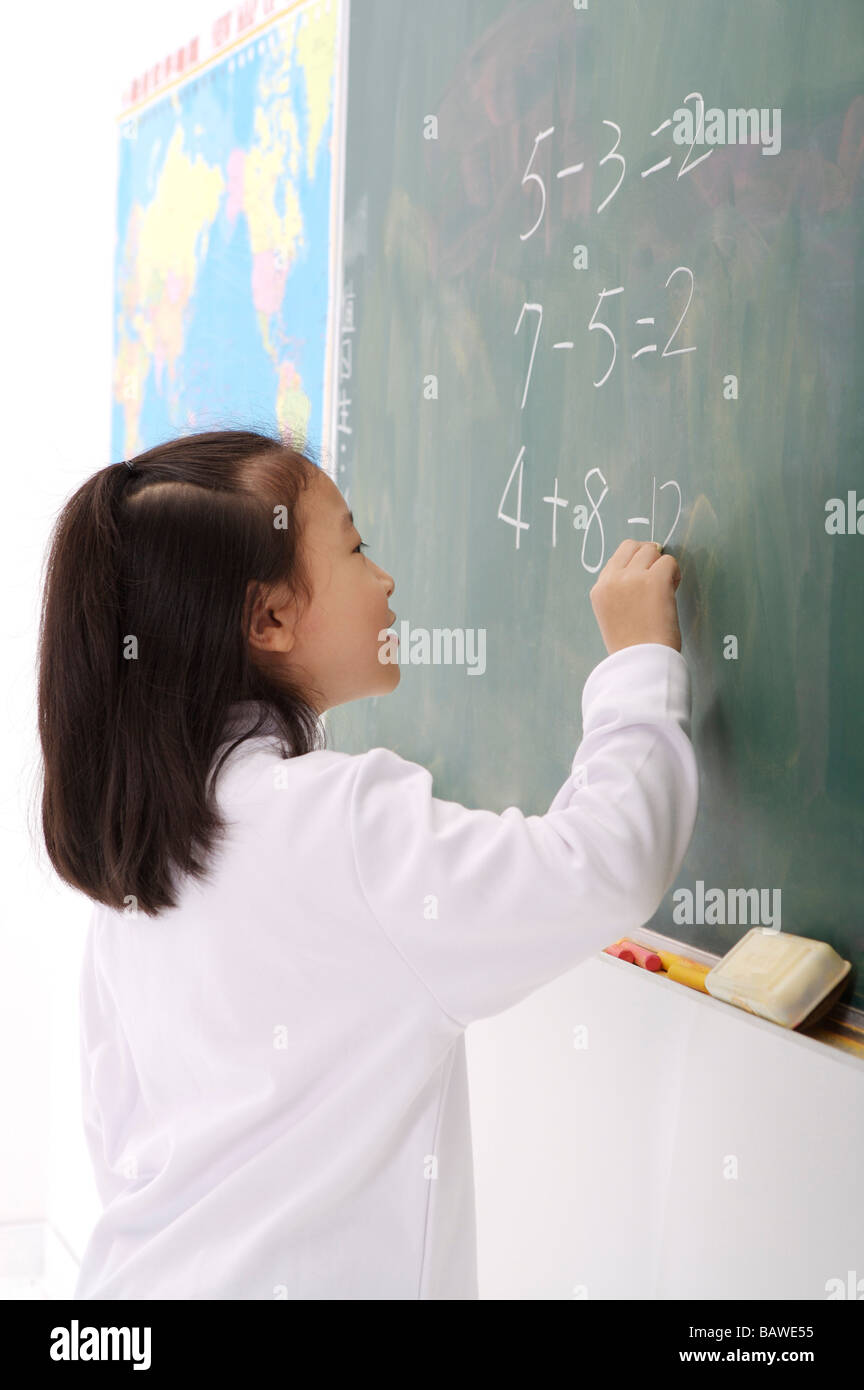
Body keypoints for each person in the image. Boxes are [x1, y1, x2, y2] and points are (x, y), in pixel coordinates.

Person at [36, 428, 698, 1299]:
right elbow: (606, 863)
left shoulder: (141, 863)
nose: (383, 578)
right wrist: (640, 663)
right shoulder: (337, 822)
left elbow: (120, 1142)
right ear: (269, 617)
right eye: (354, 546)